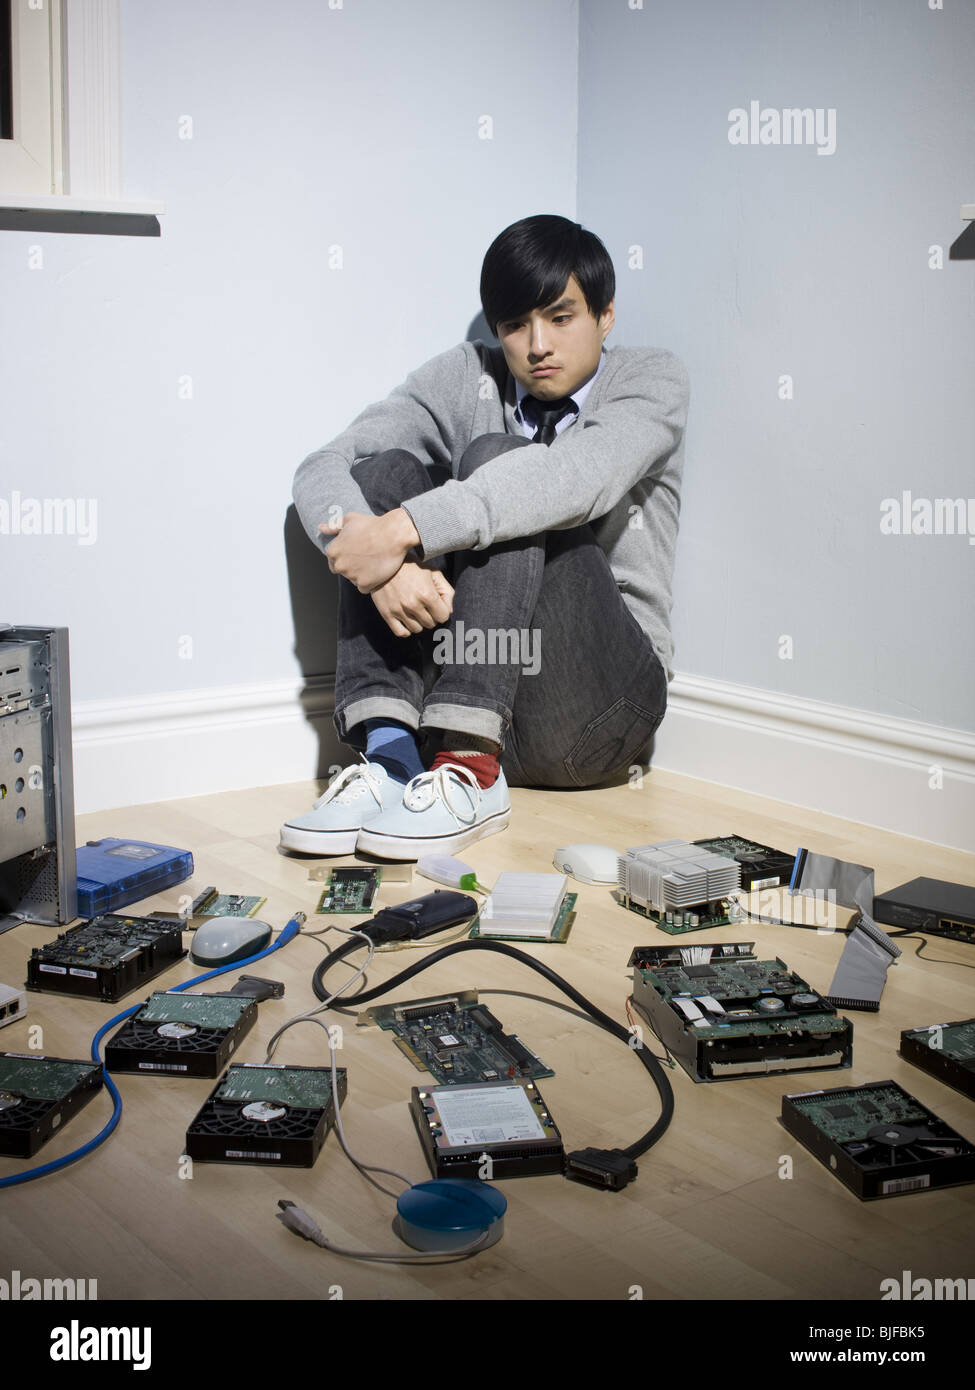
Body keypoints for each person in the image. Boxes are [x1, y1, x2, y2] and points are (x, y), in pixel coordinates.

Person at [282, 214, 689, 859]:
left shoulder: (650, 380)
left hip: (601, 713)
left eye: (561, 317)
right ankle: (389, 760)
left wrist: (405, 530)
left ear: (605, 316)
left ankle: (468, 762)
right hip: (463, 709)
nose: (536, 346)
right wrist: (386, 567)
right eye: (513, 326)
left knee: (505, 461)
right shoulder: (466, 376)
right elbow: (324, 466)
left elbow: (572, 480)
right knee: (384, 471)